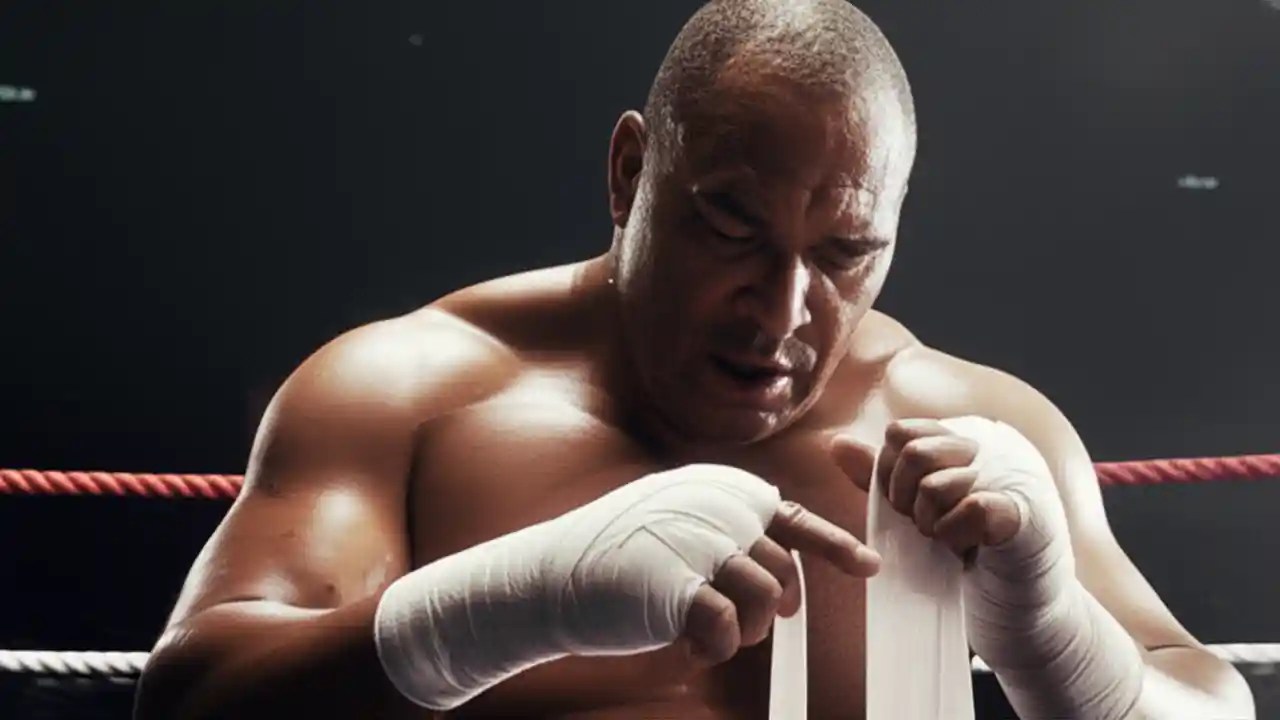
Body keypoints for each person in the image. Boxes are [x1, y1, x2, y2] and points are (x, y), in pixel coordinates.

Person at [134, 1, 1255, 718]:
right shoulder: (407, 396)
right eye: (729, 228)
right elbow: (187, 704)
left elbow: (1207, 703)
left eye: (844, 253)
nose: (778, 313)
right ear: (631, 175)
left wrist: (1056, 633)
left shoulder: (969, 429)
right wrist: (512, 604)